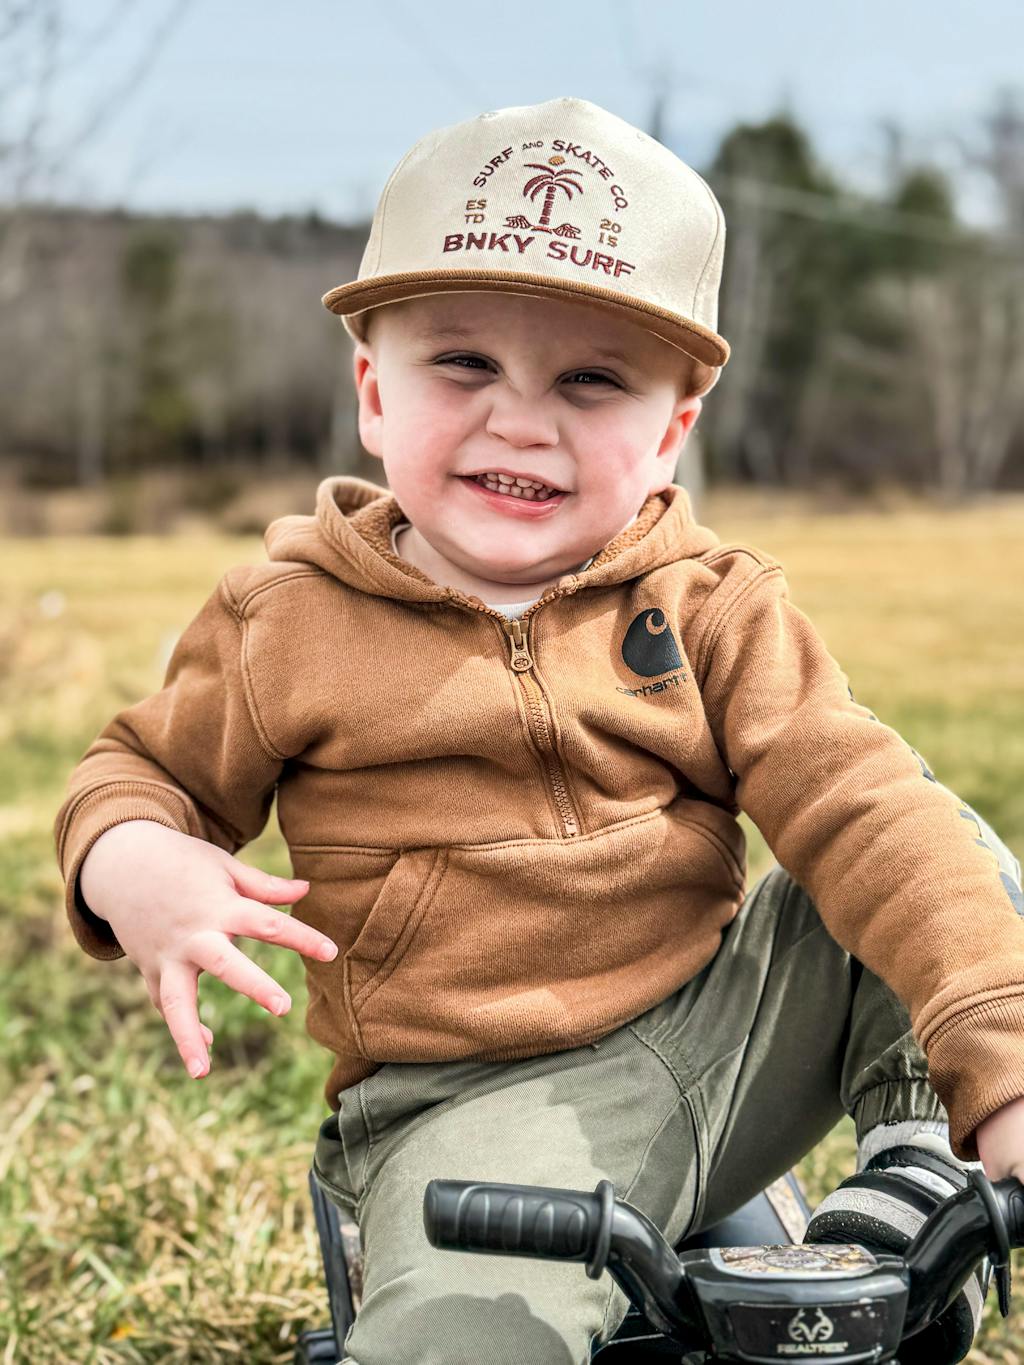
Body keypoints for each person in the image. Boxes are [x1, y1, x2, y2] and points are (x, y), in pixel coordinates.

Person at [54, 97, 1023, 1365]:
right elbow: (137, 775)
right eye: (462, 364)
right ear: (373, 392)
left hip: (723, 1038)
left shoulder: (714, 607)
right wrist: (136, 860)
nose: (522, 419)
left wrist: (1002, 1077)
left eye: (590, 380)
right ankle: (506, 1274)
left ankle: (907, 1176)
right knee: (468, 1341)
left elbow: (862, 807)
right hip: (475, 1114)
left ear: (672, 427)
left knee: (920, 839)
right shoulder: (281, 621)